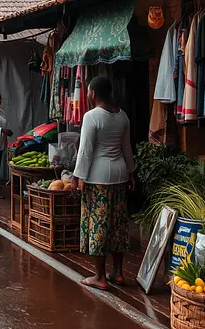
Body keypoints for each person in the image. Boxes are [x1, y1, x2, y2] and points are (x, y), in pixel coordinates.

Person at [72, 76, 135, 291]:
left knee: (97, 224)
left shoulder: (92, 117)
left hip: (97, 178)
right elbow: (127, 148)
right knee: (117, 225)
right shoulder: (122, 116)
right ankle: (117, 272)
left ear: (92, 93)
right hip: (119, 176)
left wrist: (76, 177)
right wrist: (131, 172)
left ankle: (99, 276)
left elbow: (85, 151)